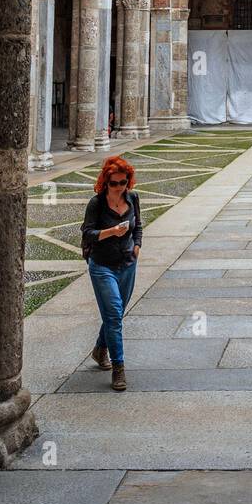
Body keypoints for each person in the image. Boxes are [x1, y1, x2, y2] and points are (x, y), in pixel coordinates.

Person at [80, 155, 142, 391]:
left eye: (122, 183)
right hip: (102, 265)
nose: (118, 187)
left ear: (128, 182)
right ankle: (118, 368)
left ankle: (99, 348)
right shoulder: (96, 203)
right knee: (114, 314)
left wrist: (137, 246)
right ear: (105, 182)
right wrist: (111, 232)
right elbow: (87, 233)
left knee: (115, 313)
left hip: (127, 263)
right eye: (113, 183)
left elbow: (139, 227)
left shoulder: (133, 198)